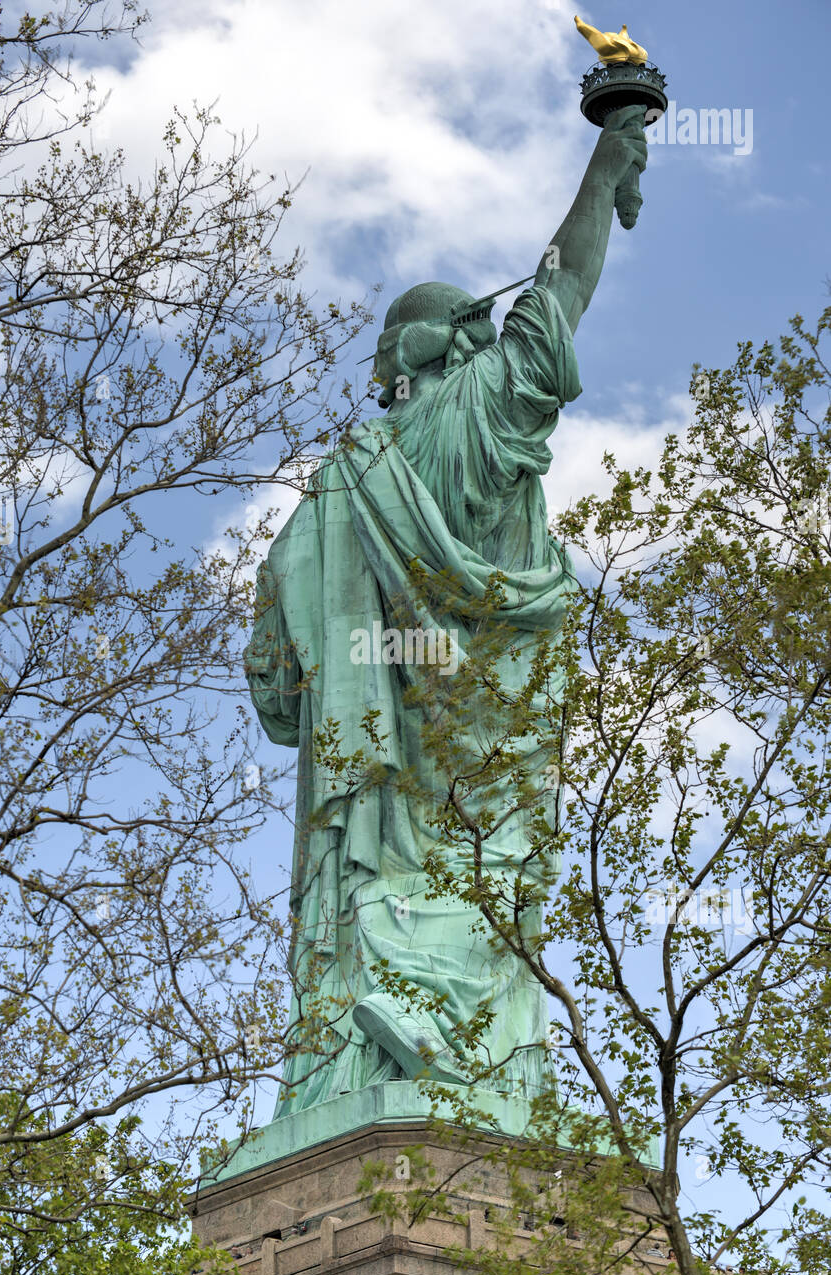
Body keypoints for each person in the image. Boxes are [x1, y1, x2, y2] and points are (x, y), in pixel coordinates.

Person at [245, 108, 648, 1115]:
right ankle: (479, 1072)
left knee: (388, 887)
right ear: (461, 349)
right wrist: (612, 151)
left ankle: (370, 1061)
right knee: (490, 901)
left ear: (397, 366)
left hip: (383, 784)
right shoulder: (481, 412)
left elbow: (279, 691)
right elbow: (561, 287)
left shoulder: (337, 493)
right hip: (493, 758)